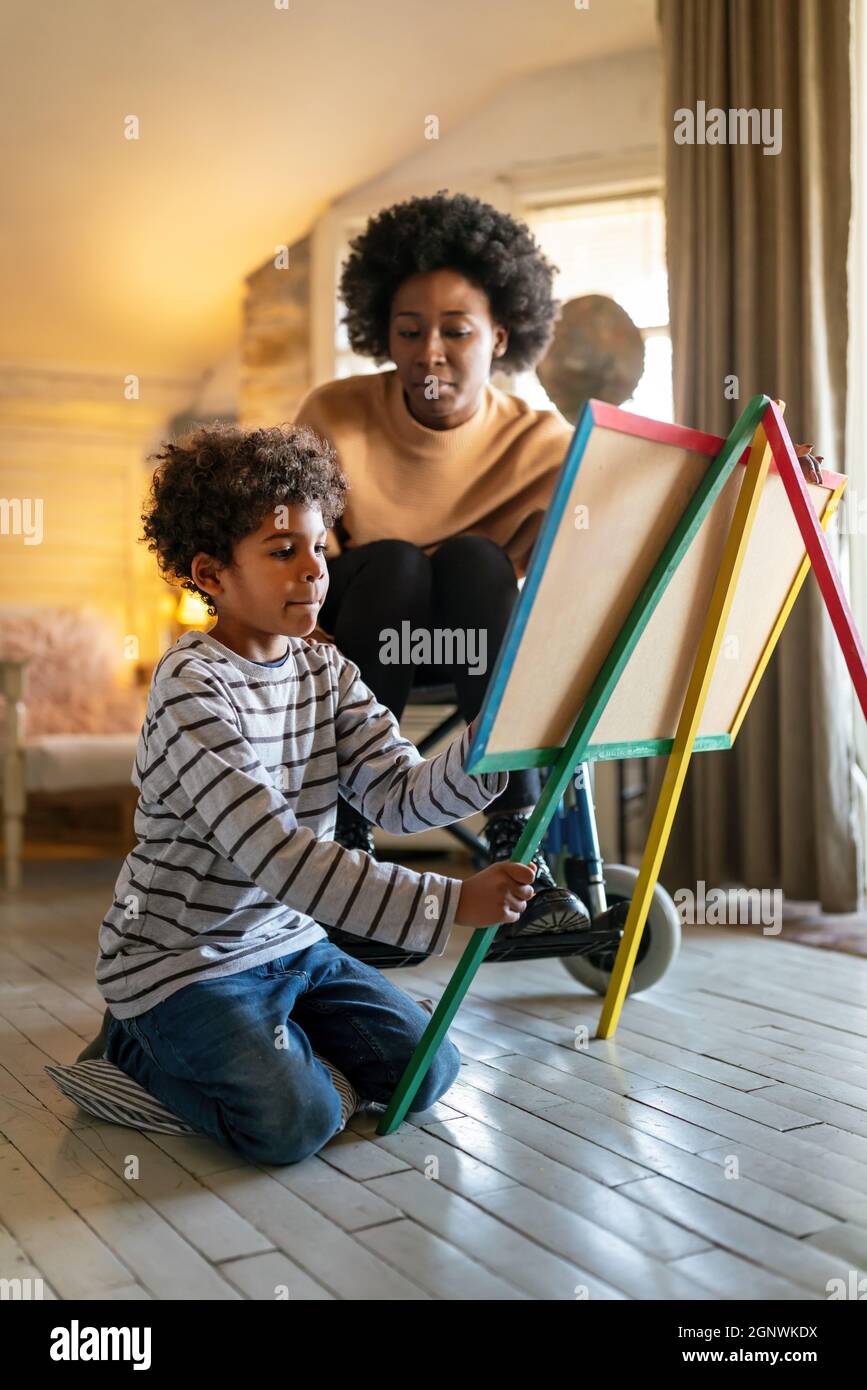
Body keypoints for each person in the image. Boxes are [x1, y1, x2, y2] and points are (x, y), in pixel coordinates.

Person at [89, 422, 537, 1167]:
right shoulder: (192, 687)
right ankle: (130, 1048)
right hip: (182, 964)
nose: (312, 571)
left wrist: (491, 742)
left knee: (428, 1074)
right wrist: (451, 903)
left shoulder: (327, 673)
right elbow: (279, 855)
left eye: (319, 547)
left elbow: (398, 796)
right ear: (210, 574)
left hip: (292, 942)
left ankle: (282, 1047)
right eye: (280, 551)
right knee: (295, 1122)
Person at [295, 190, 585, 929]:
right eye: (408, 330)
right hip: (358, 630)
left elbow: (588, 555)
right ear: (381, 335)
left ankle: (514, 839)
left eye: (455, 331)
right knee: (394, 562)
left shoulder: (544, 441)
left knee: (479, 562)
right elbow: (296, 544)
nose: (430, 352)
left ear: (499, 335)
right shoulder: (333, 413)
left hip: (471, 636)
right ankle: (349, 832)